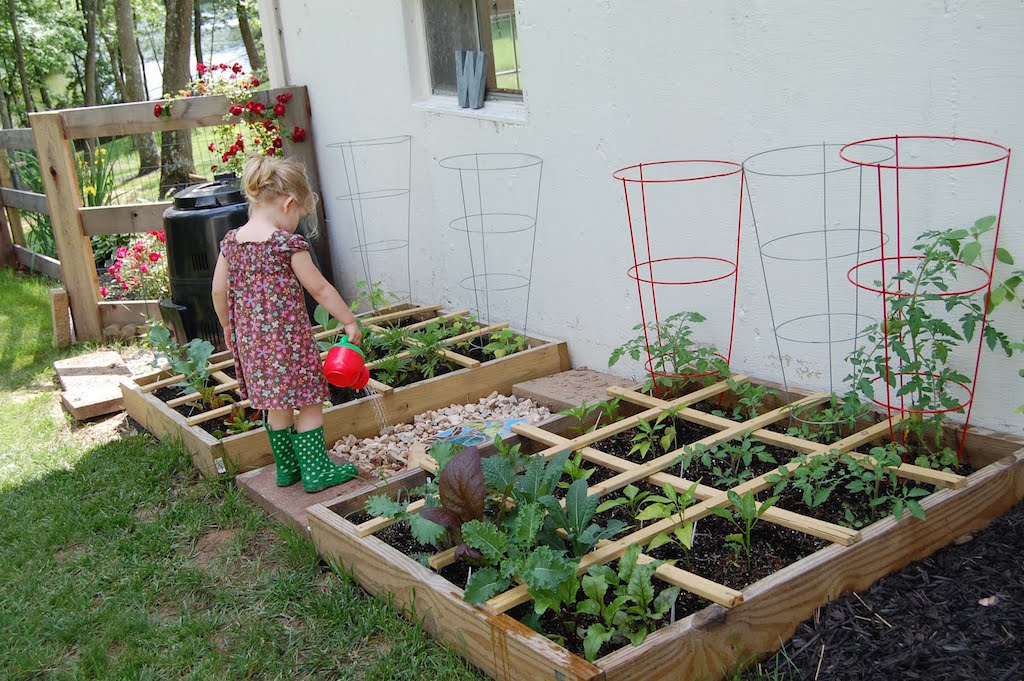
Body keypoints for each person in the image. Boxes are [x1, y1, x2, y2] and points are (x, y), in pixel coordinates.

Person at [212, 154, 362, 493]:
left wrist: (227, 327)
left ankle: (287, 469)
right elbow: (319, 288)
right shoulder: (285, 244)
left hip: (253, 347)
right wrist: (348, 320)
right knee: (308, 402)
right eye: (299, 216)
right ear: (288, 203)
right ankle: (316, 473)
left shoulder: (231, 244)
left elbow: (218, 290)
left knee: (275, 404)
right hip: (289, 345)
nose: (297, 224)